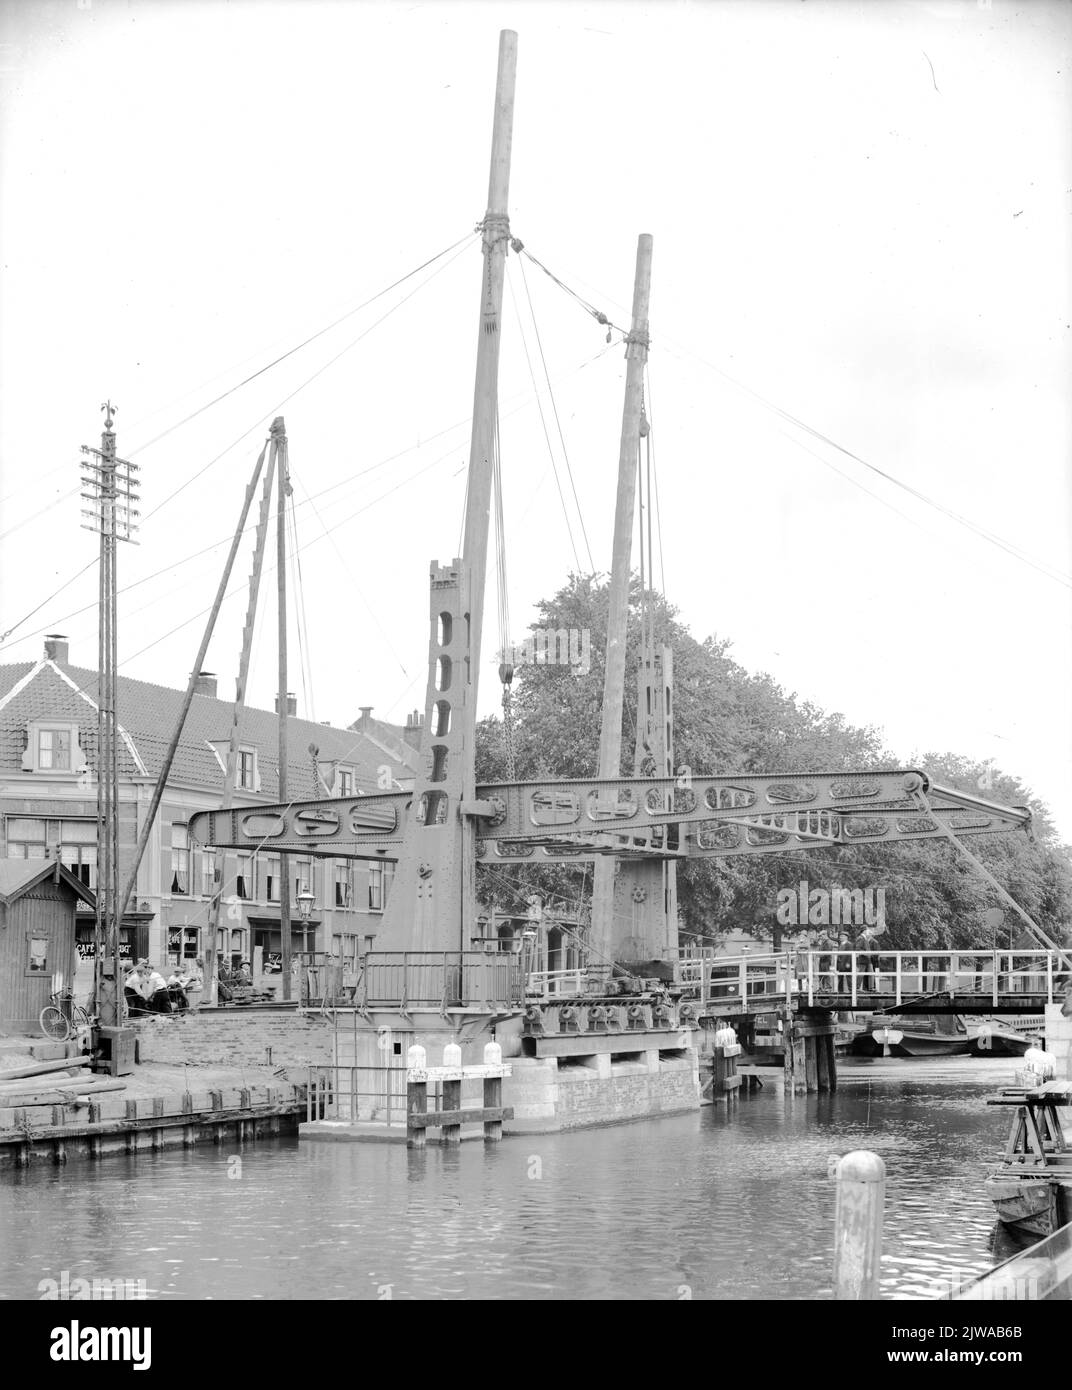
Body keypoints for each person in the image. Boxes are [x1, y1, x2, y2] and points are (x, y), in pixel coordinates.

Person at [853, 927, 877, 994]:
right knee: (861, 974)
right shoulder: (860, 938)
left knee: (871, 973)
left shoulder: (864, 938)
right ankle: (857, 988)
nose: (869, 932)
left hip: (867, 959)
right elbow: (858, 949)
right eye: (867, 930)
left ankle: (871, 988)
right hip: (863, 959)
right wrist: (866, 953)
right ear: (864, 931)